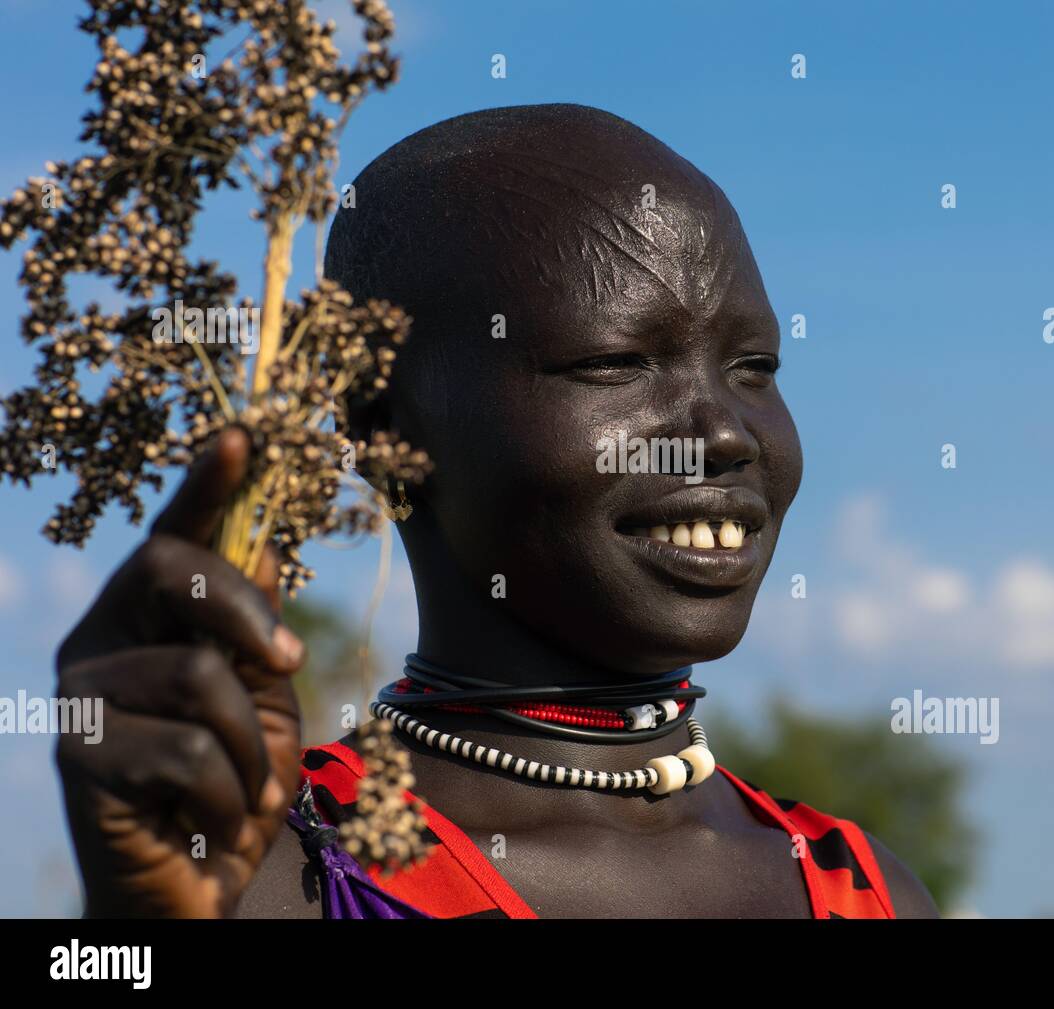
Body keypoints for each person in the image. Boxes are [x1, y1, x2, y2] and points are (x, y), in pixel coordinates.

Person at [54, 103, 939, 918]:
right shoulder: (284, 872)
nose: (724, 431)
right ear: (383, 422)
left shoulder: (859, 884)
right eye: (615, 362)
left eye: (755, 367)